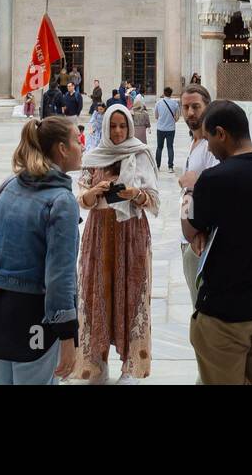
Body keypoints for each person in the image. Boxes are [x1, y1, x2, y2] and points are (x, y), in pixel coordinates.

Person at [181, 101, 252, 385]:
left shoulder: (214, 179)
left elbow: (189, 229)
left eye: (208, 139)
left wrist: (188, 190)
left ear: (221, 134)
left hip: (225, 315)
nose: (208, 147)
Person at [0, 117, 83, 384]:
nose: (81, 145)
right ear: (62, 149)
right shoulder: (61, 201)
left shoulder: (10, 185)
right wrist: (68, 335)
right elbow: (60, 278)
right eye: (76, 140)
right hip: (32, 312)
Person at [73, 104, 159, 383]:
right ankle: (96, 364)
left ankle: (131, 366)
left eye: (123, 126)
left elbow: (154, 200)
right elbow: (81, 199)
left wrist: (136, 194)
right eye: (113, 126)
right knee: (96, 293)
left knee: (132, 293)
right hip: (99, 235)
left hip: (131, 234)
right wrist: (94, 193)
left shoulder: (140, 153)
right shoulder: (93, 157)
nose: (118, 131)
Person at [176, 85, 215, 306]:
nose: (190, 112)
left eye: (196, 107)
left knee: (202, 308)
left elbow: (216, 190)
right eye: (186, 107)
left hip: (200, 239)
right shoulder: (195, 142)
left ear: (207, 107)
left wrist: (199, 230)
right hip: (188, 236)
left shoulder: (212, 145)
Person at [154, 87, 180, 172]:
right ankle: (170, 167)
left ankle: (157, 166)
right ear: (171, 93)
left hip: (160, 128)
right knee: (170, 147)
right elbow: (177, 118)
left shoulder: (158, 103)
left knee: (159, 147)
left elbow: (156, 116)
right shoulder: (175, 103)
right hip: (171, 129)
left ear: (164, 93)